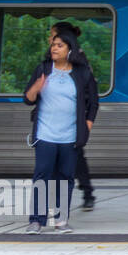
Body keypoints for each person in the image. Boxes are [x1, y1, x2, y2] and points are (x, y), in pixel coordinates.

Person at [23, 27, 99, 234]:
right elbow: (27, 99)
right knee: (42, 176)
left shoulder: (82, 73)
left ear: (70, 49)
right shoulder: (43, 69)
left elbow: (93, 102)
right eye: (53, 45)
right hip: (45, 134)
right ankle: (36, 221)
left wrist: (87, 125)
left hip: (70, 137)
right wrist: (36, 88)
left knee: (65, 178)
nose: (54, 48)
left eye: (59, 45)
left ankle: (61, 220)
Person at [50, 22, 96, 210]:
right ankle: (83, 193)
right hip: (54, 120)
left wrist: (87, 120)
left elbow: (89, 94)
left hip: (72, 118)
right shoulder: (52, 61)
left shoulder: (78, 61)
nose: (50, 40)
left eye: (53, 36)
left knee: (75, 156)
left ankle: (86, 192)